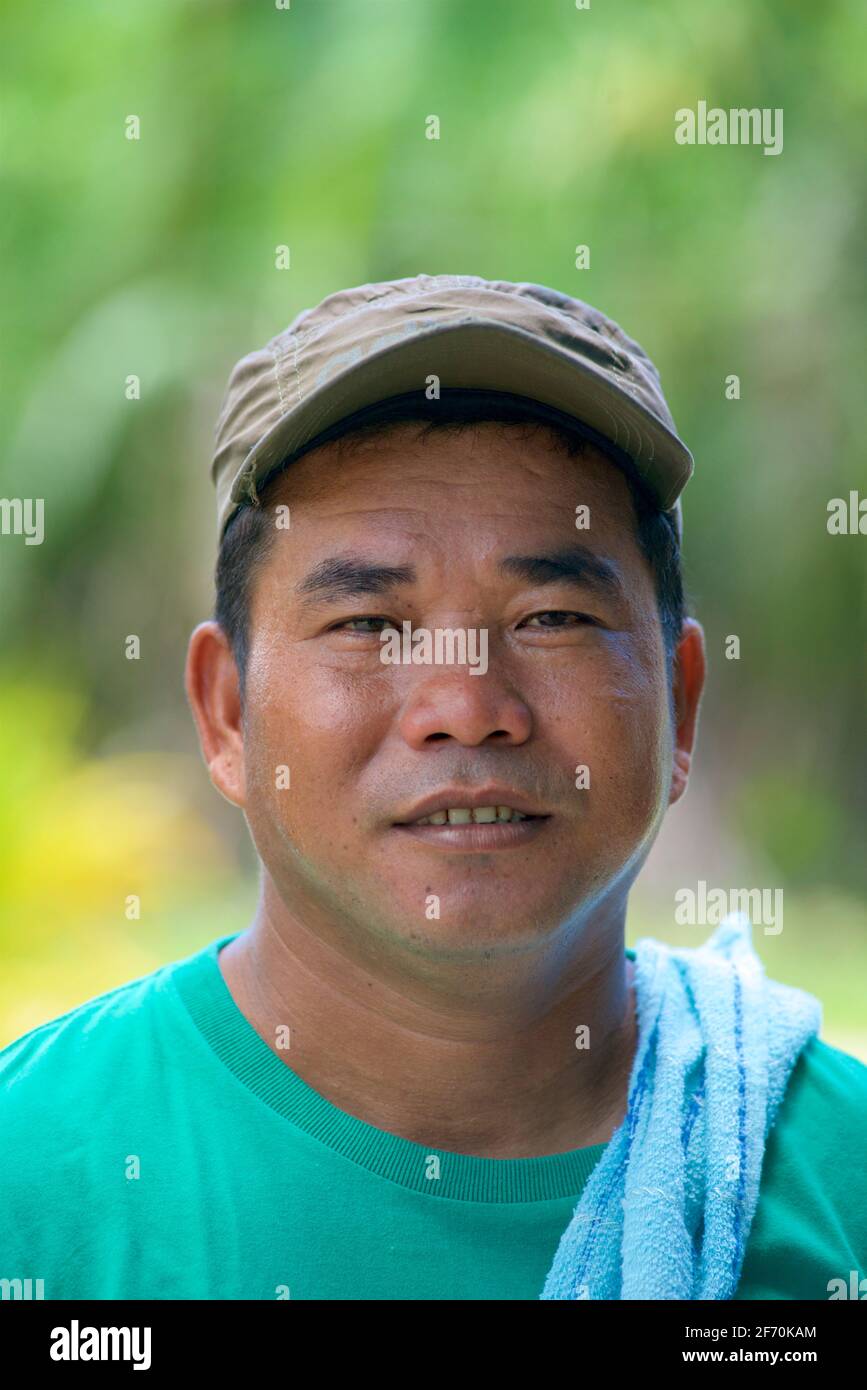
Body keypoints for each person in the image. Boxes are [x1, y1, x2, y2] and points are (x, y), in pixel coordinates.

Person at [1, 275, 865, 1301]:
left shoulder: (833, 1184)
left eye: (551, 616)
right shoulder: (38, 1178)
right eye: (369, 624)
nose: (467, 703)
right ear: (227, 711)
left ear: (679, 700)